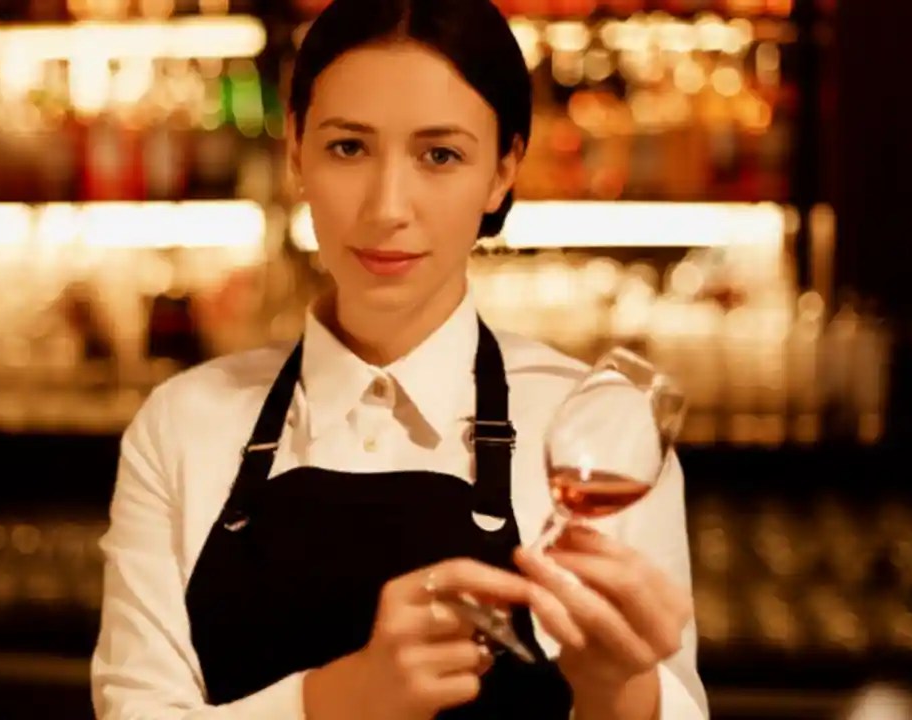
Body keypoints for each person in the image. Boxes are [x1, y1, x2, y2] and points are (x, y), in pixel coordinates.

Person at [91, 0, 709, 717]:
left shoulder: (594, 436)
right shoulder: (183, 425)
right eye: (348, 148)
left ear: (503, 170)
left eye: (439, 155)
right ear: (295, 151)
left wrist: (618, 688)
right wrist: (337, 701)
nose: (388, 207)